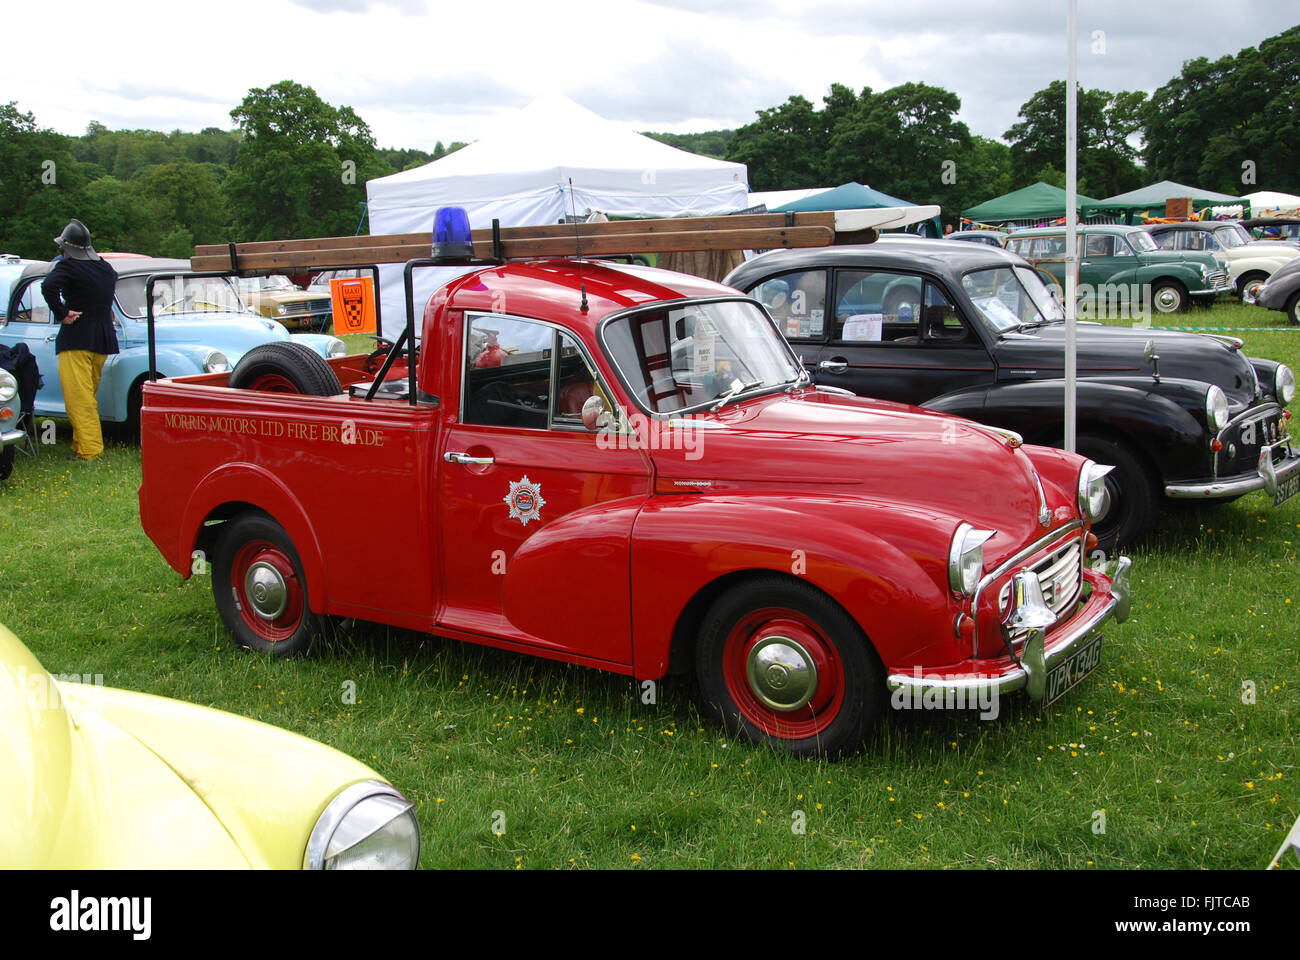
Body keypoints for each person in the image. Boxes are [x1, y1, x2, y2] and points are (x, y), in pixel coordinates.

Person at [41, 219, 119, 461]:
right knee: (87, 395)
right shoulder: (106, 268)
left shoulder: (68, 267)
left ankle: (89, 450)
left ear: (67, 249)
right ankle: (79, 444)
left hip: (76, 338)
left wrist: (62, 313)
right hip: (102, 340)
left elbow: (48, 286)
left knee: (79, 399)